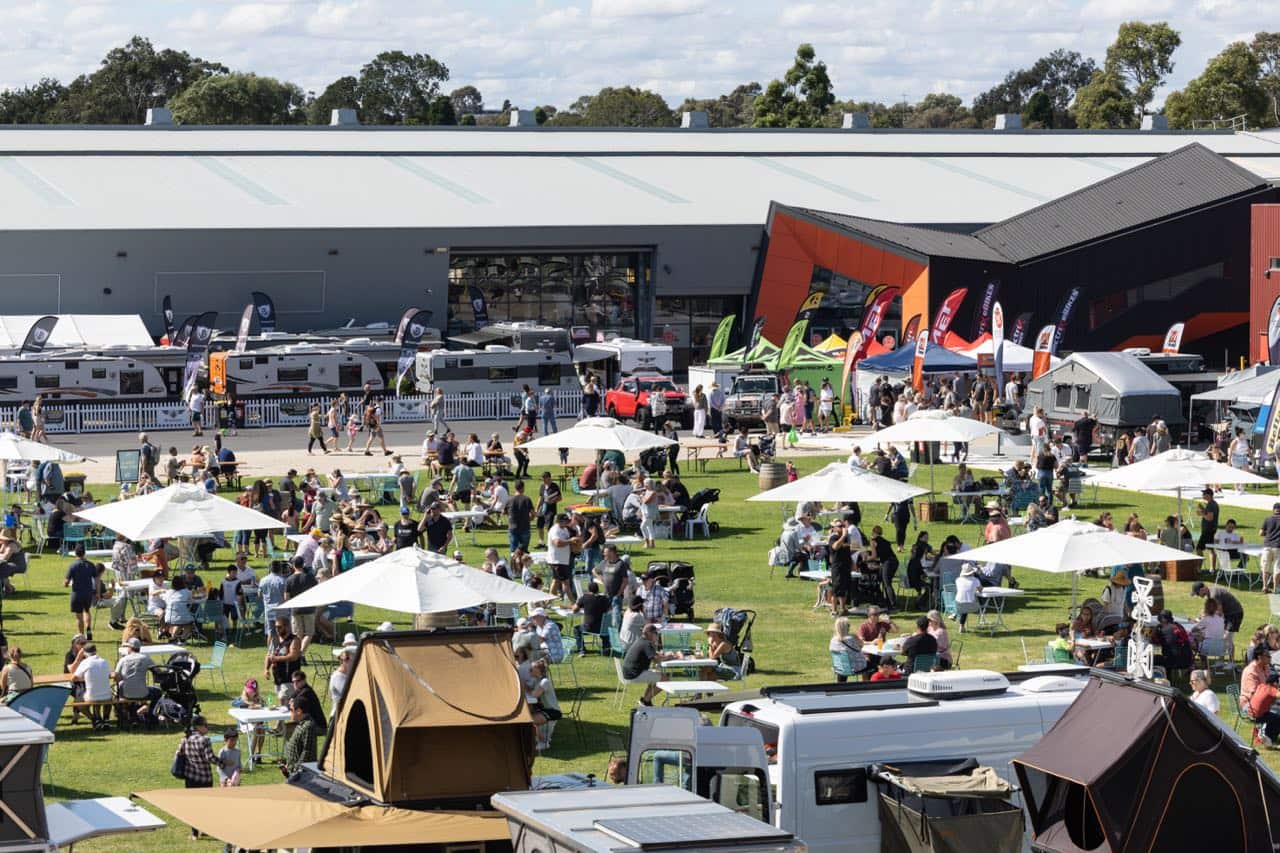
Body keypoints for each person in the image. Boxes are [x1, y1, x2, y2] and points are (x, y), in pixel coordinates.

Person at [622, 623, 684, 706]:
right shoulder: (647, 643)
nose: (657, 636)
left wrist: (665, 655)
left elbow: (654, 655)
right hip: (634, 674)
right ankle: (645, 701)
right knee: (665, 679)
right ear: (649, 633)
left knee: (657, 675)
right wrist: (672, 656)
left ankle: (646, 700)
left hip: (630, 672)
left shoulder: (642, 640)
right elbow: (657, 660)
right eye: (656, 633)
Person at [1242, 649, 1280, 746]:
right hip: (1252, 711)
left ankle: (1265, 735)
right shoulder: (1271, 689)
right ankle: (1269, 738)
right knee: (1277, 716)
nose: (1270, 658)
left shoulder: (1262, 685)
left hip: (1252, 710)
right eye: (1268, 656)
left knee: (1274, 715)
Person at [73, 643, 112, 729]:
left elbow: (74, 678)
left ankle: (94, 719)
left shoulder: (85, 662)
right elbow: (109, 675)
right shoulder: (104, 661)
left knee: (78, 703)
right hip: (107, 696)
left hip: (92, 696)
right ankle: (106, 719)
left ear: (84, 653)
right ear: (96, 651)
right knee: (108, 694)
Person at [265, 617, 302, 702]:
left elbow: (293, 656)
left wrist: (276, 658)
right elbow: (268, 655)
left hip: (289, 678)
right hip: (278, 678)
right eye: (276, 627)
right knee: (282, 703)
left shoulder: (294, 640)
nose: (277, 629)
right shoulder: (275, 640)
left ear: (287, 627)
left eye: (279, 627)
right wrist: (266, 669)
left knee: (285, 702)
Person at [64, 544, 97, 638]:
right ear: (84, 553)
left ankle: (81, 635)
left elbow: (66, 581)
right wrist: (97, 592)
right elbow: (96, 579)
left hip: (77, 593)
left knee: (79, 616)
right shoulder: (90, 565)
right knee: (87, 610)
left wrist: (65, 584)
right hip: (88, 593)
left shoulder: (73, 565)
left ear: (75, 553)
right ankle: (89, 628)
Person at [281, 696, 319, 776]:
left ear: (298, 711)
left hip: (303, 775)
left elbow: (307, 752)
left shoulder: (308, 726)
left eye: (291, 710)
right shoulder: (301, 724)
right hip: (294, 771)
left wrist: (297, 770)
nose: (290, 713)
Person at [571, 582, 611, 656]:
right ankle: (606, 648)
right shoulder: (604, 599)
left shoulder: (585, 597)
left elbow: (574, 609)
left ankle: (581, 650)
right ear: (598, 590)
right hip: (602, 628)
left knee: (576, 629)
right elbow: (609, 610)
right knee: (604, 628)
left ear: (588, 590)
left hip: (588, 627)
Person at [829, 617, 867, 682]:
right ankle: (869, 687)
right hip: (853, 667)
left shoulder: (833, 639)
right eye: (848, 625)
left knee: (844, 664)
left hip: (839, 667)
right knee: (873, 664)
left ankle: (841, 686)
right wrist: (857, 638)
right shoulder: (851, 638)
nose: (849, 627)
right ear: (846, 627)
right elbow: (860, 647)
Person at [954, 563, 981, 633]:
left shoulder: (958, 580)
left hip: (958, 605)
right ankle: (960, 624)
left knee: (963, 603)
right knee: (970, 601)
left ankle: (959, 621)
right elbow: (980, 590)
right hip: (972, 606)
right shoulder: (975, 580)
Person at [1260, 502, 1280, 593]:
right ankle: (1275, 589)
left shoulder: (1267, 519)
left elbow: (1260, 533)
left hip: (1267, 546)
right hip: (1278, 547)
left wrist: (1268, 533)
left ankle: (1265, 586)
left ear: (1273, 510)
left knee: (1265, 568)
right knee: (1277, 568)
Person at [1197, 487, 1219, 559]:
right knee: (1210, 549)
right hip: (1211, 529)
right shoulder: (1212, 504)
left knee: (1199, 548)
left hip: (1208, 530)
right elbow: (1209, 514)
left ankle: (1199, 568)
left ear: (1209, 495)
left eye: (1204, 494)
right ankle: (1212, 569)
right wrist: (1203, 509)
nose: (1202, 495)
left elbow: (1210, 518)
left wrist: (1201, 514)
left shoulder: (1211, 505)